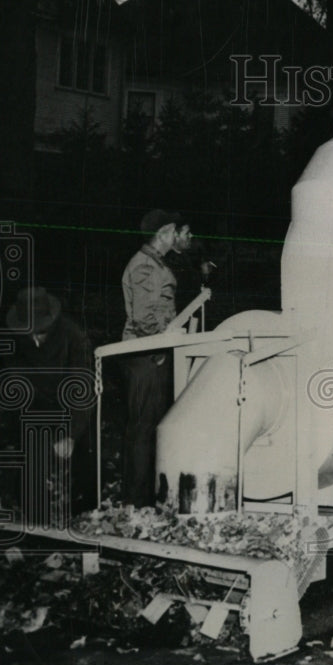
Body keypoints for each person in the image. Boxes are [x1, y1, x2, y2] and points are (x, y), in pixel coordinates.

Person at [3, 286, 96, 518]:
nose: (34, 337)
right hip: (37, 406)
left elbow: (82, 390)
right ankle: (36, 516)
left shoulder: (75, 337)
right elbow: (19, 390)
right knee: (32, 457)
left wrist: (70, 435)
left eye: (39, 332)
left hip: (72, 406)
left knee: (84, 464)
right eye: (29, 331)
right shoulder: (16, 339)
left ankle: (84, 512)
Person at [119, 208, 182, 507]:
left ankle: (148, 499)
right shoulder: (143, 266)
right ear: (163, 233)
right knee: (142, 430)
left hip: (155, 353)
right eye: (173, 231)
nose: (176, 236)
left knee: (153, 427)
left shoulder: (155, 264)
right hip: (145, 356)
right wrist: (163, 342)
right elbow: (145, 318)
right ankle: (135, 502)